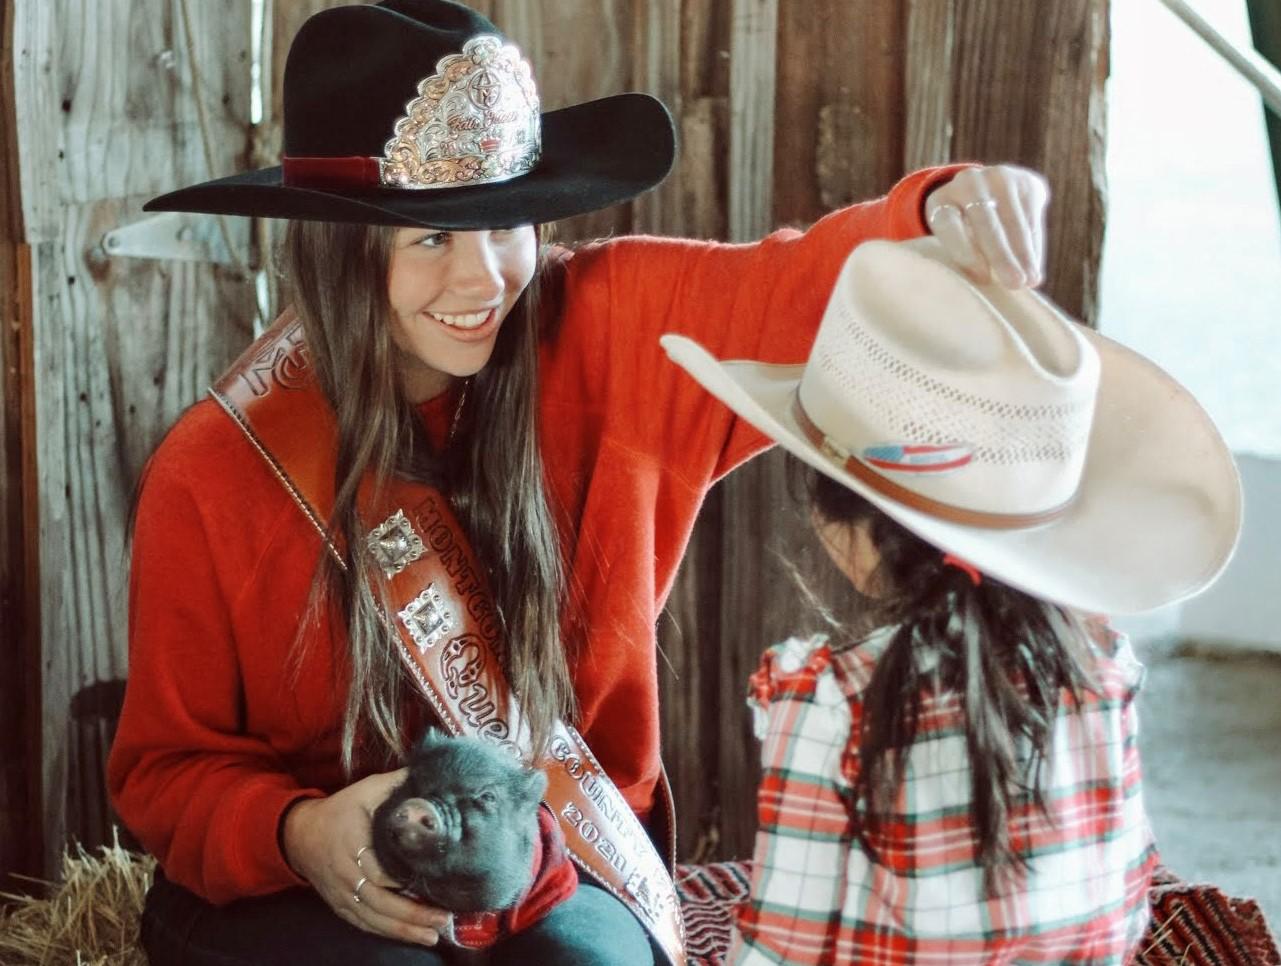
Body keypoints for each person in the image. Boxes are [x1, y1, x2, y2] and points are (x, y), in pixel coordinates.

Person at [106, 1, 1053, 964]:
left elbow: (800, 290)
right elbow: (163, 774)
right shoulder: (218, 468)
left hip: (556, 856)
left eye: (506, 220)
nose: (484, 280)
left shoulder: (611, 327)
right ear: (338, 249)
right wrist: (295, 834)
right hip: (297, 890)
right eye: (429, 239)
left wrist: (935, 213)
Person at [660, 237, 1241, 964]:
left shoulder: (832, 700)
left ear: (838, 524)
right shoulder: (1103, 666)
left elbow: (783, 947)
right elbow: (1124, 908)